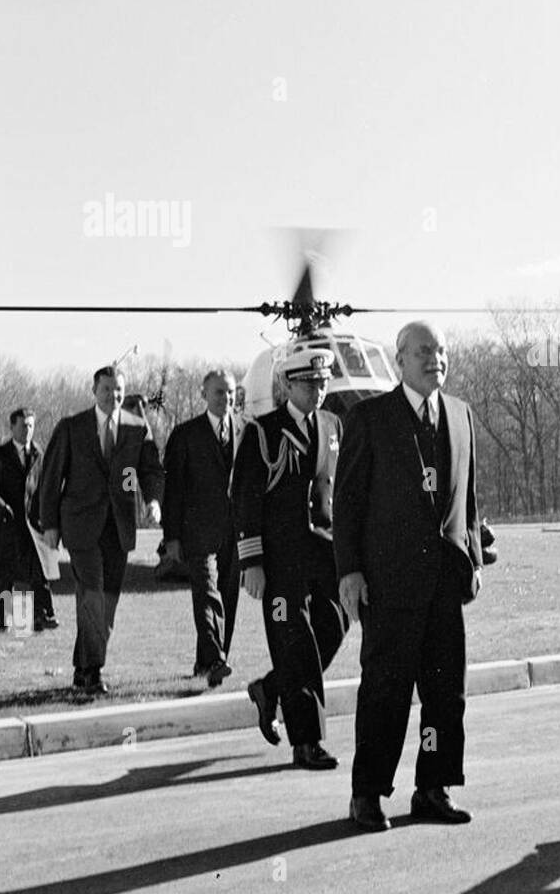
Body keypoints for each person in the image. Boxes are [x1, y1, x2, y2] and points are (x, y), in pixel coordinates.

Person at [335, 321, 482, 833]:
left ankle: (433, 788)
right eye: (422, 352)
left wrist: (475, 561)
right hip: (389, 582)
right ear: (400, 360)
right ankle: (368, 793)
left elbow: (468, 501)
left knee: (445, 694)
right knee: (386, 692)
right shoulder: (369, 418)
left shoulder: (461, 416)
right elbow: (346, 502)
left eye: (440, 350)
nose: (434, 359)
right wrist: (349, 571)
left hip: (445, 582)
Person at [233, 349, 347, 770]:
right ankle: (307, 741)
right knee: (295, 643)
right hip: (281, 561)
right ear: (289, 385)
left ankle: (270, 687)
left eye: (323, 383)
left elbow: (343, 493)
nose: (319, 391)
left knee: (334, 625)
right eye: (310, 383)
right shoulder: (264, 432)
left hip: (327, 554)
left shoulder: (334, 426)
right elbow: (245, 500)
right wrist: (252, 563)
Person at [39, 367, 163, 696]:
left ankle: (83, 668)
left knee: (107, 602)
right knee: (92, 594)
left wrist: (153, 501)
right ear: (94, 390)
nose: (113, 395)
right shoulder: (72, 427)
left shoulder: (138, 428)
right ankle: (93, 672)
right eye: (107, 389)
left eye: (119, 389)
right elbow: (50, 479)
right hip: (80, 525)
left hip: (118, 528)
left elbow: (151, 469)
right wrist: (49, 525)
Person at [162, 370, 244, 687]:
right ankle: (215, 660)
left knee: (228, 599)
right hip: (197, 533)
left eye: (232, 393)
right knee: (208, 595)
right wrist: (172, 538)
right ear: (204, 394)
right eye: (220, 392)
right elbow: (173, 492)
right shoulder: (185, 435)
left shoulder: (247, 430)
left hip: (235, 534)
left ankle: (206, 663)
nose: (227, 398)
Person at [0, 408, 57, 632]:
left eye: (31, 425)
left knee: (39, 572)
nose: (28, 430)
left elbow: (47, 488)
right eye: (23, 425)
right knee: (4, 575)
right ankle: (2, 622)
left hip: (33, 525)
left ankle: (41, 617)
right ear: (12, 427)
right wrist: (1, 508)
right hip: (6, 525)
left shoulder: (40, 456)